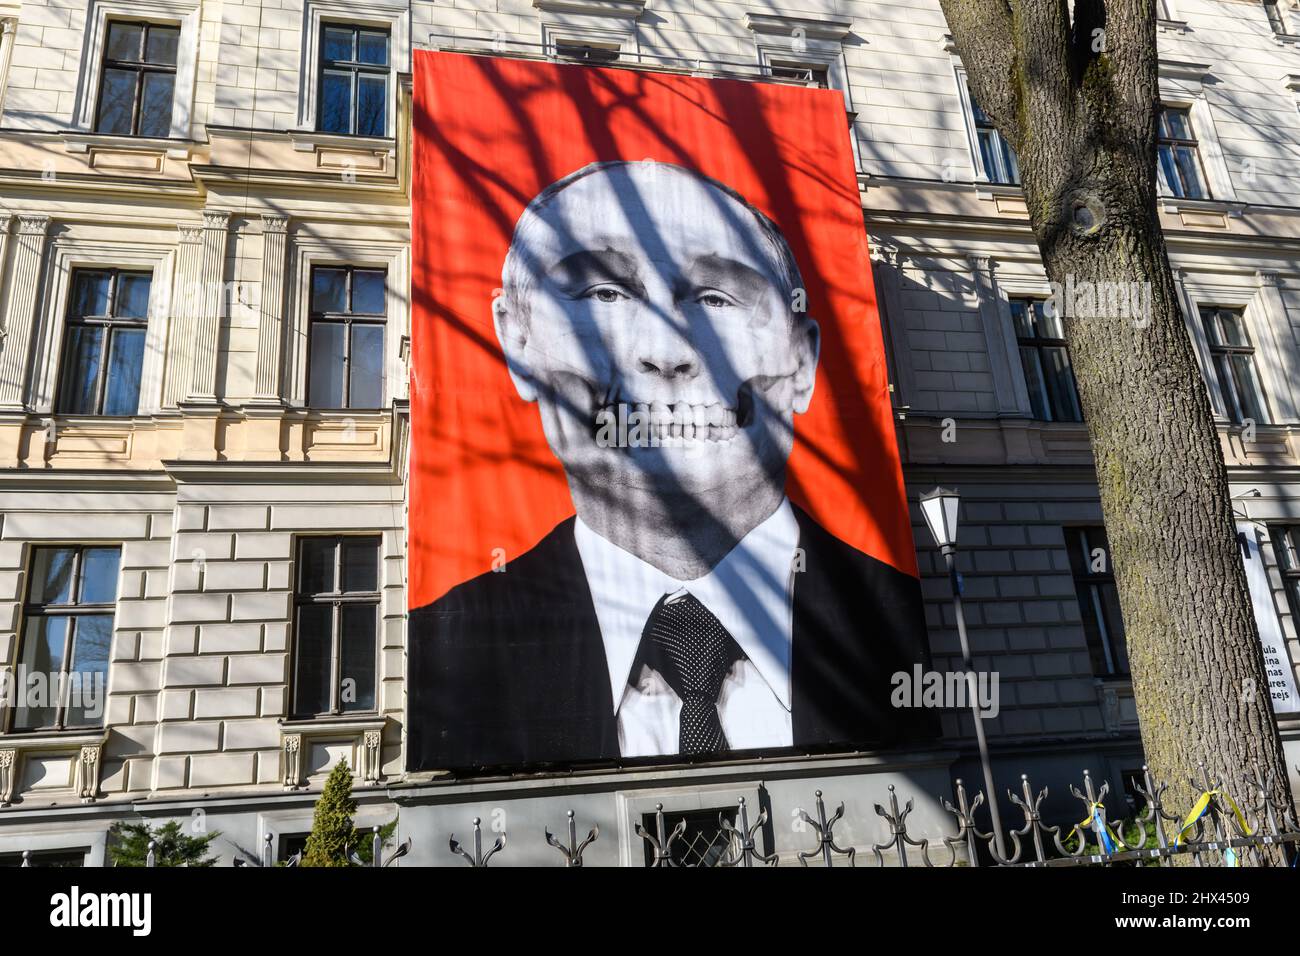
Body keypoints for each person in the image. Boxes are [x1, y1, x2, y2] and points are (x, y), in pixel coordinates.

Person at [408, 160, 934, 771]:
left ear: (802, 363)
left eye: (716, 298)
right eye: (603, 293)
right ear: (516, 341)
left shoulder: (893, 623)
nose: (665, 351)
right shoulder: (450, 652)